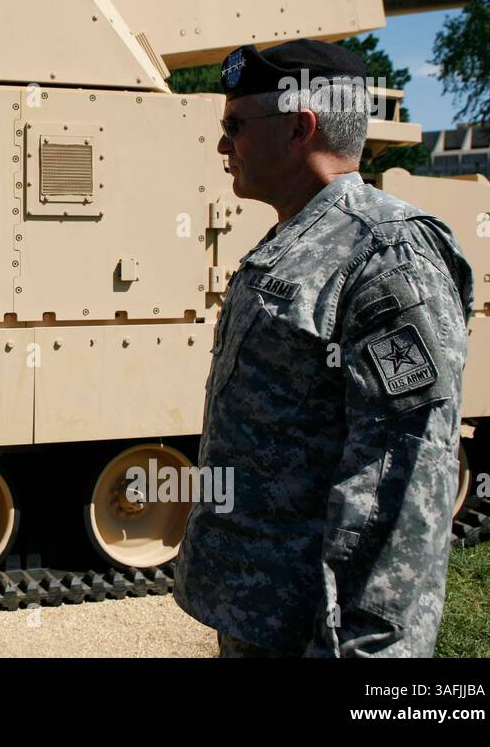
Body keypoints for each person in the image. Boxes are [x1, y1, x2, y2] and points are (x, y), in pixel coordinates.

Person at [174, 39, 473, 657]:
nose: (222, 144)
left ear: (297, 129)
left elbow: (404, 477)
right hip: (264, 615)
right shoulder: (298, 238)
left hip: (317, 631)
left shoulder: (386, 255)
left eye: (235, 125)